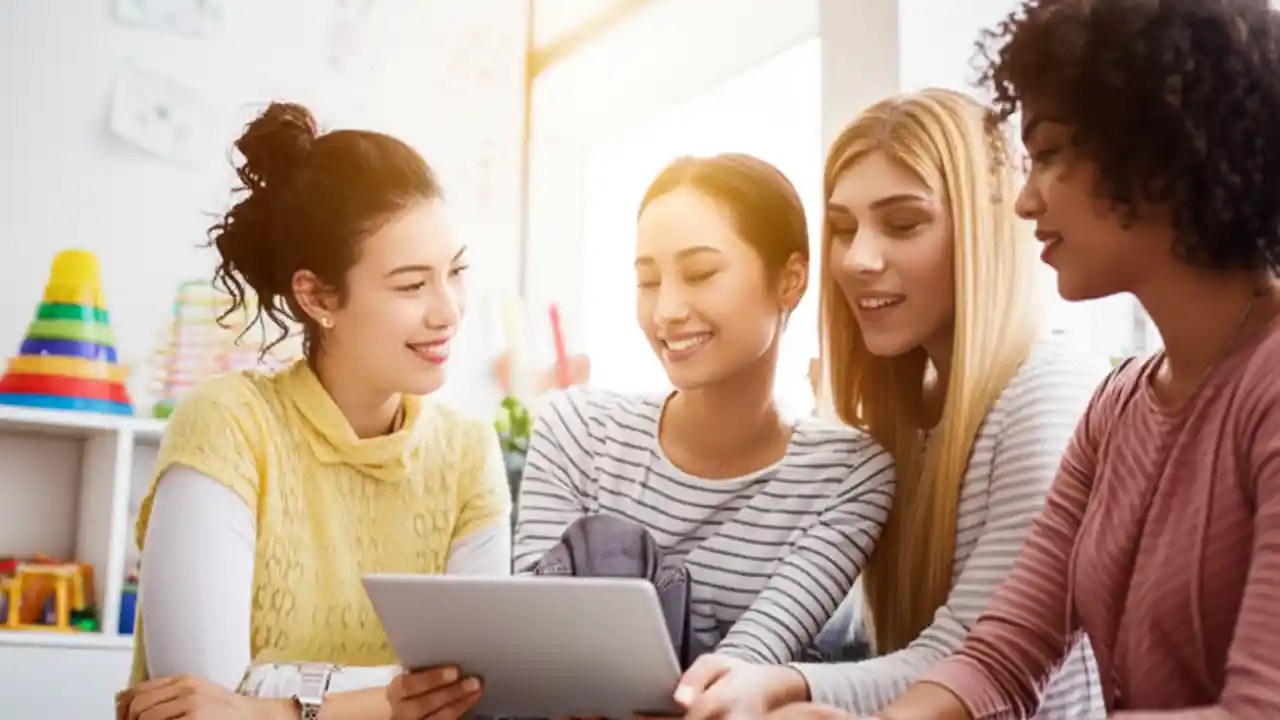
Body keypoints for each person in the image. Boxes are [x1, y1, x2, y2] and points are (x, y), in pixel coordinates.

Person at [777, 1, 1280, 718]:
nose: (1022, 201)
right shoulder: (1117, 408)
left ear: (1155, 148)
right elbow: (1002, 656)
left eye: (1046, 155)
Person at [386, 153, 898, 720]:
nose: (668, 310)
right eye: (648, 281)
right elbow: (536, 657)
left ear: (790, 280)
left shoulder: (849, 474)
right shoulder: (575, 429)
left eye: (701, 273)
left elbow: (743, 673)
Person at [676, 89, 1109, 720]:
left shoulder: (1051, 392)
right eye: (844, 229)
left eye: (903, 225)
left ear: (982, 230)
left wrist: (787, 686)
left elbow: (978, 658)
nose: (857, 259)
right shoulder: (908, 418)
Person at [114, 102, 511, 720]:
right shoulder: (228, 424)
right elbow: (192, 703)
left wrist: (268, 706)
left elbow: (478, 692)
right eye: (411, 285)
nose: (449, 310)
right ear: (318, 295)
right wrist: (395, 700)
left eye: (455, 271)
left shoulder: (467, 452)